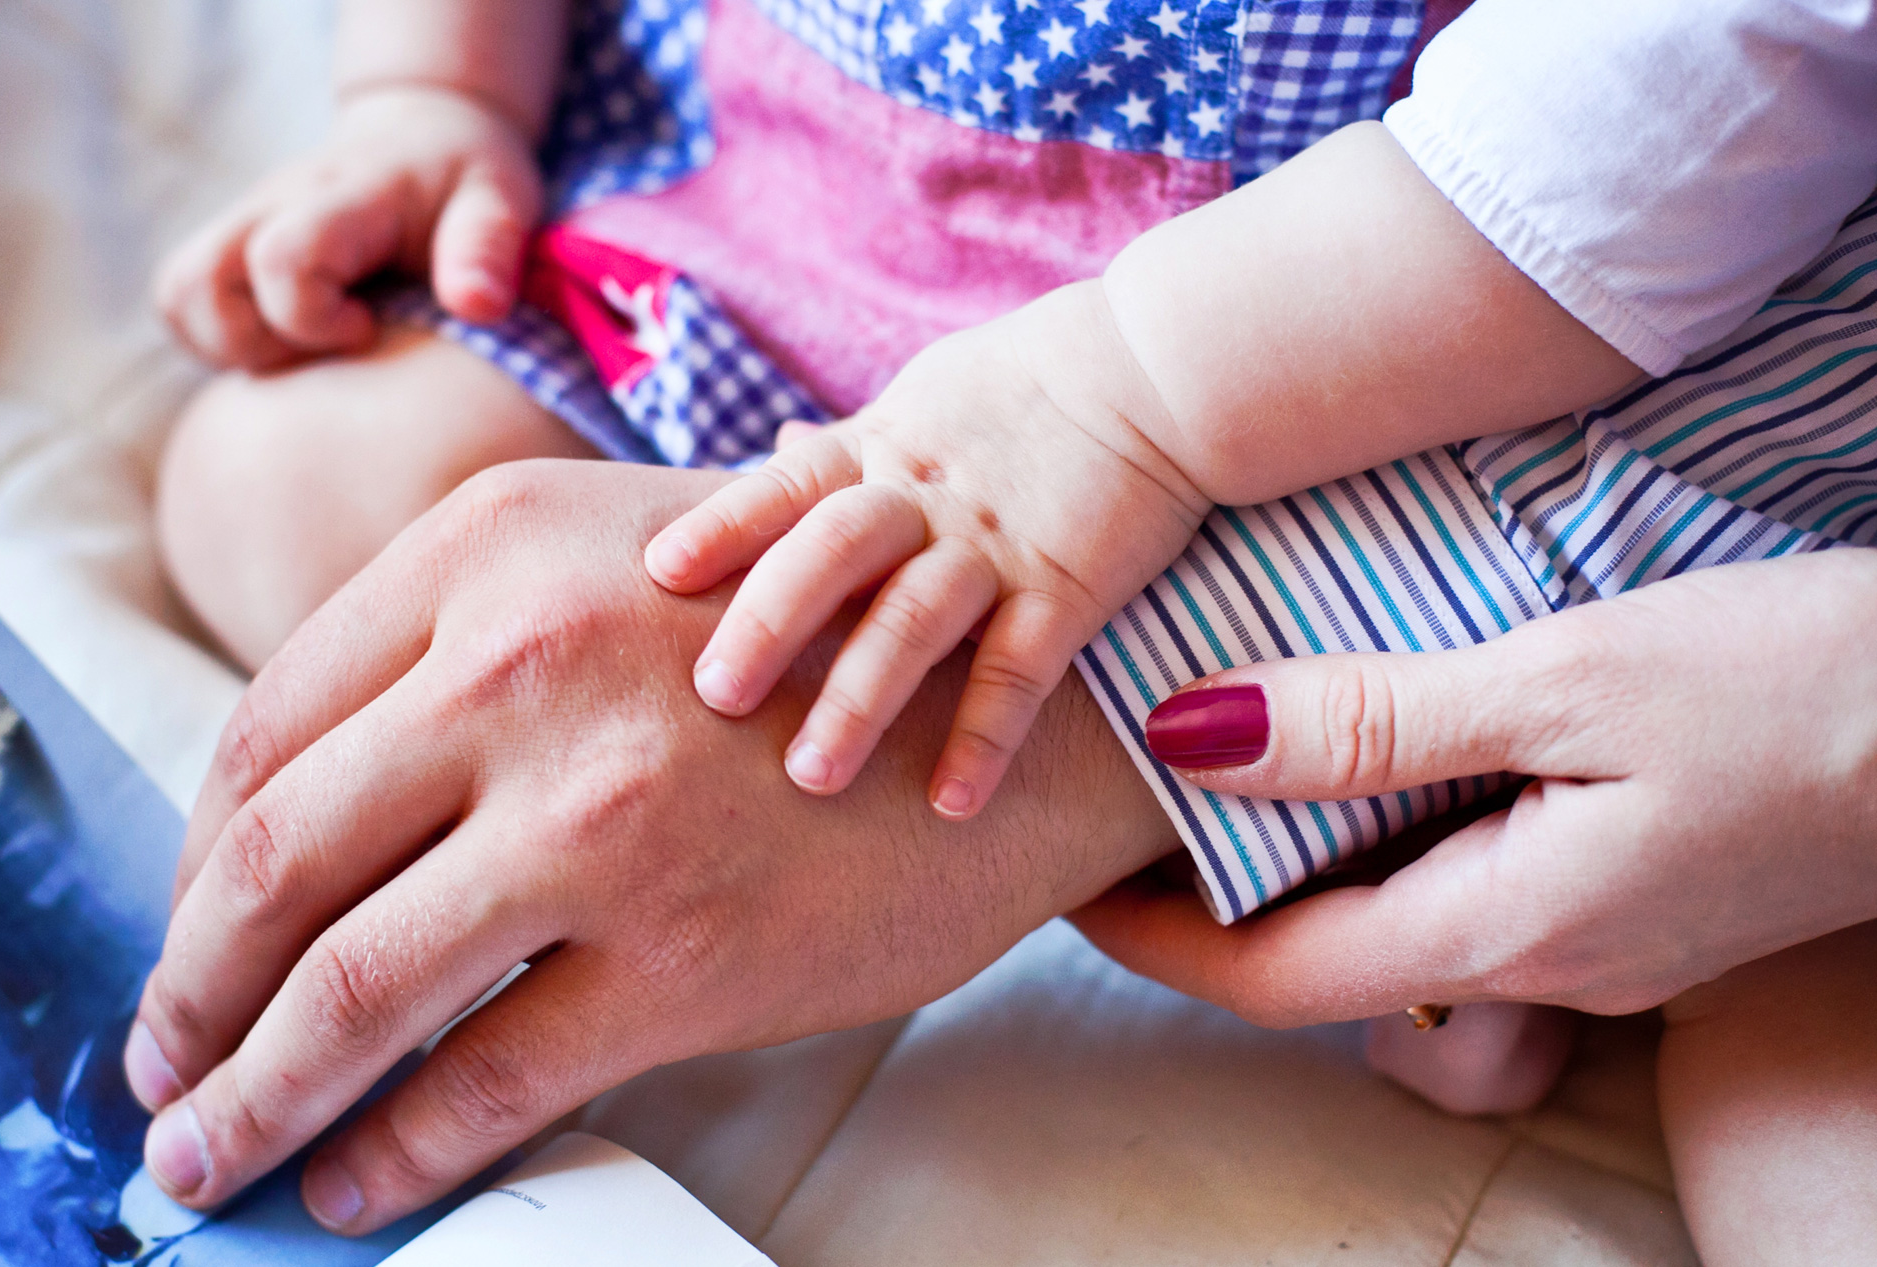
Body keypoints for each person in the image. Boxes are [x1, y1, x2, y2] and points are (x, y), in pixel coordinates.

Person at [132, 0, 1877, 1260]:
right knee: (277, 485)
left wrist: (1127, 402)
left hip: (1395, 330)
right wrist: (433, 91)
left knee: (1809, 1115)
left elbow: (1688, 95)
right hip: (807, 213)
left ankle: (1533, 860)